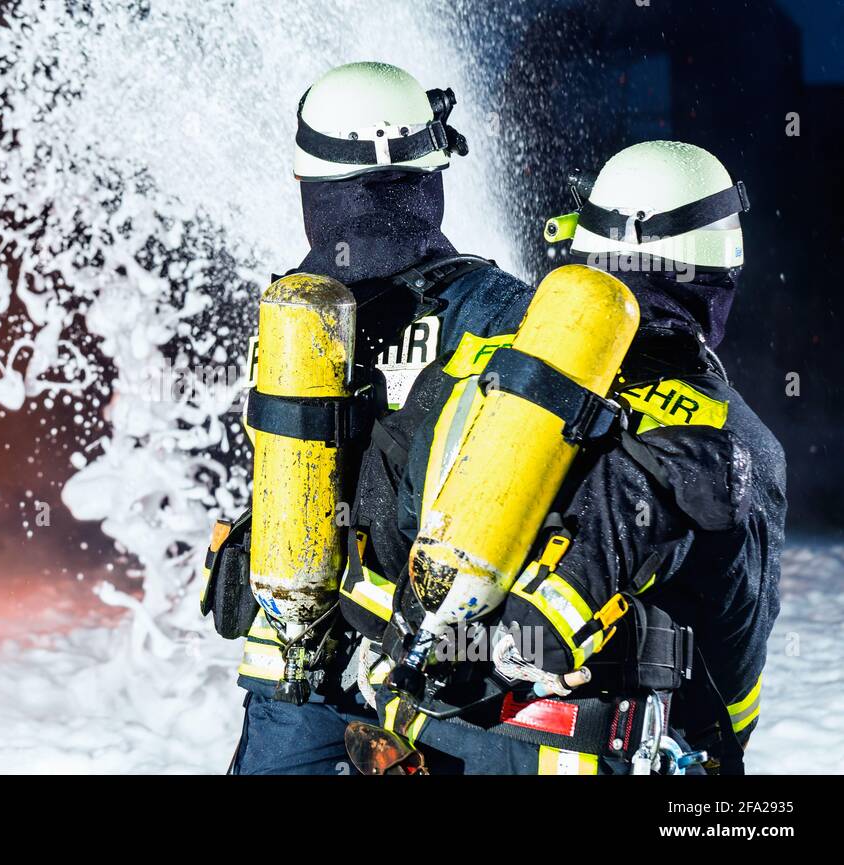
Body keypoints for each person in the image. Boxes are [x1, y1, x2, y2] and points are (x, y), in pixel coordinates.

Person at [352, 140, 784, 774]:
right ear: (714, 271)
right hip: (578, 751)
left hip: (419, 734)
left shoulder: (478, 361)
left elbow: (384, 527)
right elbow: (734, 654)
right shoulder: (734, 435)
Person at [202, 60, 535, 774]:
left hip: (297, 667)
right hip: (448, 682)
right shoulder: (508, 313)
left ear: (312, 190)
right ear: (431, 176)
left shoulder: (293, 322)